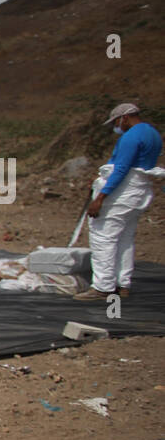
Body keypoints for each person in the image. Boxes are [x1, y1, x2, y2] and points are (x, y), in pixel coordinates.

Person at [75, 103, 163, 301]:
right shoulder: (153, 134)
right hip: (140, 191)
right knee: (124, 238)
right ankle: (122, 284)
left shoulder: (130, 137)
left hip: (123, 192)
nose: (117, 126)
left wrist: (100, 197)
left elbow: (121, 170)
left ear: (125, 117)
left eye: (116, 121)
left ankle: (103, 286)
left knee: (103, 237)